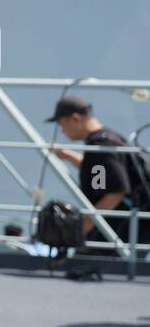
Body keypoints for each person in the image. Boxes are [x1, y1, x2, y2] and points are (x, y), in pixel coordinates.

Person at [48, 96, 150, 245]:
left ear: (75, 119)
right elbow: (101, 174)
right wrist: (69, 156)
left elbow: (115, 191)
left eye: (62, 125)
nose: (62, 132)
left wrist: (85, 226)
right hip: (128, 230)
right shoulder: (109, 138)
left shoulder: (100, 146)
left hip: (117, 233)